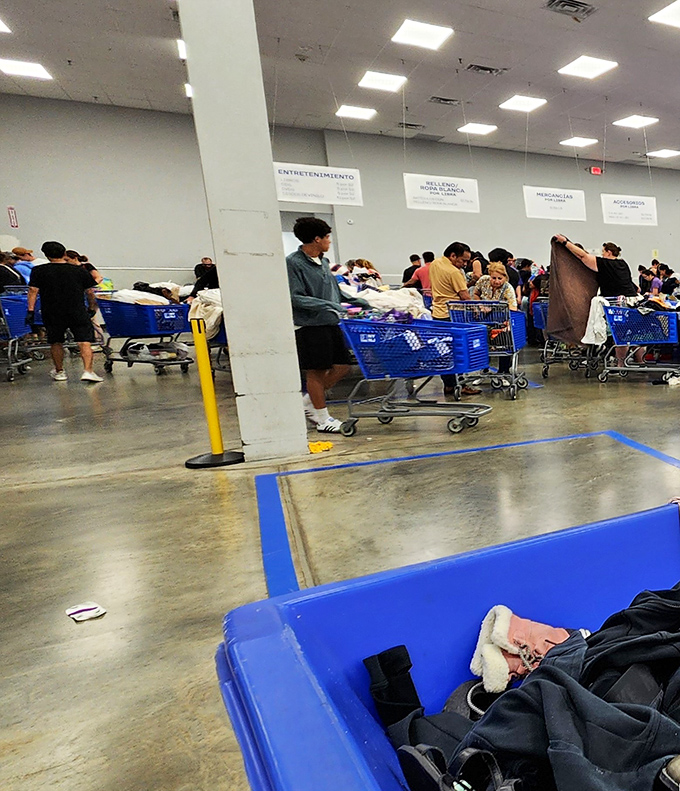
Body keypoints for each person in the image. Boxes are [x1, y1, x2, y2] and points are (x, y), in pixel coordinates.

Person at [286, 216, 370, 433]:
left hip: (330, 321)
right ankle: (322, 418)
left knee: (343, 366)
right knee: (315, 371)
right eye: (327, 237)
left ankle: (309, 402)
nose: (329, 241)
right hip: (309, 325)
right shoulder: (294, 263)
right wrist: (329, 305)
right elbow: (295, 297)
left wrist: (358, 301)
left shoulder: (323, 263)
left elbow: (336, 291)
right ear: (316, 239)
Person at [554, 236, 642, 364]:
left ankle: (620, 365)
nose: (601, 254)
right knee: (633, 333)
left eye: (603, 252)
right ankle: (639, 361)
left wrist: (565, 242)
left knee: (620, 334)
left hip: (617, 304)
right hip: (631, 302)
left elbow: (583, 256)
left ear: (608, 252)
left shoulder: (605, 264)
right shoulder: (623, 264)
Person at [27, 241, 102, 382]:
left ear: (46, 255)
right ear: (64, 253)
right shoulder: (79, 270)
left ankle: (60, 371)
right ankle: (88, 371)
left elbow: (33, 290)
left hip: (52, 311)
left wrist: (30, 310)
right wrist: (92, 308)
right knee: (84, 341)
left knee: (56, 341)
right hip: (77, 309)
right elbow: (90, 291)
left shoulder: (39, 271)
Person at [429, 242, 480, 396]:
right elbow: (464, 296)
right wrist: (476, 309)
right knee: (459, 350)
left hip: (437, 313)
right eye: (463, 260)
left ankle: (449, 385)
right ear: (452, 256)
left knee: (444, 351)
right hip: (453, 315)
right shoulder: (454, 272)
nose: (464, 264)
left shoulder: (435, 264)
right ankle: (461, 384)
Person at [473, 262, 518, 378]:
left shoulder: (508, 288)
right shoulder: (483, 281)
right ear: (489, 276)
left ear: (505, 278)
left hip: (501, 320)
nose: (496, 281)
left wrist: (508, 322)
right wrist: (480, 306)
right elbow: (476, 293)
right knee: (483, 343)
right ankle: (484, 369)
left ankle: (503, 371)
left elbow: (513, 307)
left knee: (504, 344)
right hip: (485, 319)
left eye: (500, 278)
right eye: (494, 278)